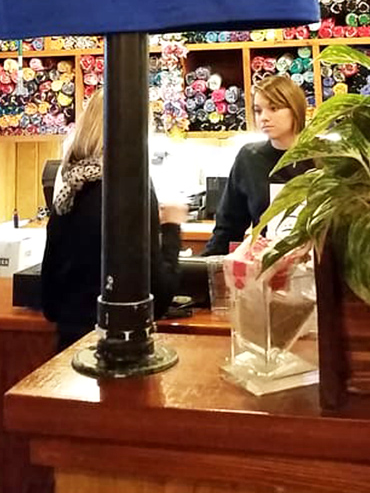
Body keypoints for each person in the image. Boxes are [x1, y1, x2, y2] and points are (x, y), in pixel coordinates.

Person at [41, 88, 185, 351]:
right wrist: (172, 227)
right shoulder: (133, 188)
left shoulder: (70, 186)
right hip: (120, 352)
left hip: (67, 353)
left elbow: (49, 300)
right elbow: (158, 296)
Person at [202, 73, 309, 256]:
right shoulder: (249, 158)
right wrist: (205, 273)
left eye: (274, 108)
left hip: (319, 271)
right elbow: (229, 227)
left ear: (295, 109)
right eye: (258, 111)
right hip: (269, 270)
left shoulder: (326, 157)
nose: (264, 118)